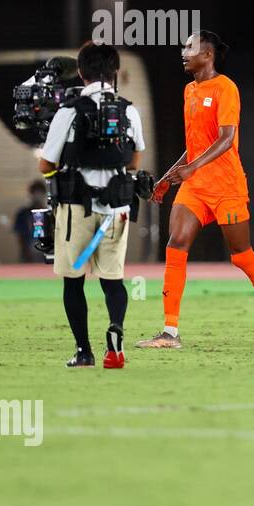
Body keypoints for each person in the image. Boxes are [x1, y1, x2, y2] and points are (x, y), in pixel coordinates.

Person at [139, 31, 254, 351]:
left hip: (226, 185)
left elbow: (226, 140)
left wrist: (193, 167)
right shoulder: (189, 91)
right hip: (196, 186)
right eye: (184, 47)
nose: (183, 52)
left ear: (208, 55)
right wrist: (169, 177)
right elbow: (194, 145)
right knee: (176, 245)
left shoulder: (225, 88)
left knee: (241, 256)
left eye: (190, 47)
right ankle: (170, 332)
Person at [37, 41, 145, 368]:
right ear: (115, 73)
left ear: (80, 72)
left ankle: (84, 352)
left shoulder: (68, 111)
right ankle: (115, 336)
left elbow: (45, 165)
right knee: (113, 281)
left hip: (75, 208)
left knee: (74, 281)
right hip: (116, 209)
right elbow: (134, 160)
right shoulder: (128, 109)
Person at [12, 180, 49, 263]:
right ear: (31, 194)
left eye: (40, 192)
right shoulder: (23, 214)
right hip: (28, 250)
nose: (37, 195)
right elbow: (19, 234)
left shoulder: (48, 213)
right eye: (35, 192)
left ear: (44, 194)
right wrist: (25, 251)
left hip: (45, 250)